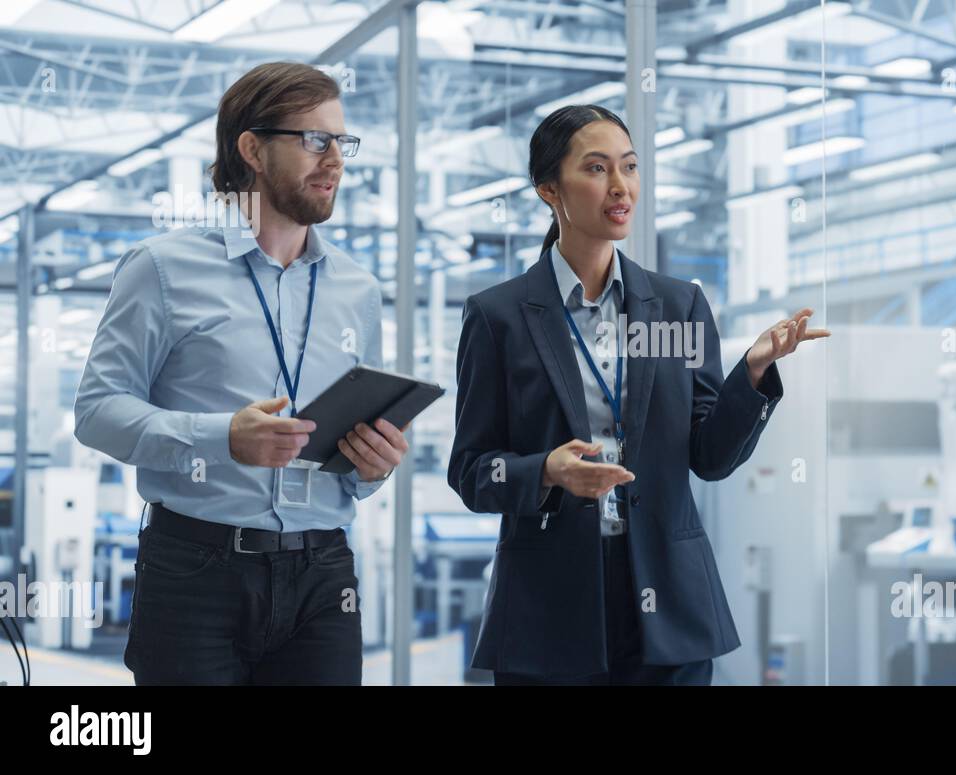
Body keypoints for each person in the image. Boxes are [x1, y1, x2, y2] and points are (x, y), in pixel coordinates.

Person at [447, 105, 829, 685]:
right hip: (551, 608)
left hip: (668, 604)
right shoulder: (498, 317)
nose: (620, 186)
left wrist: (750, 375)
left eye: (629, 167)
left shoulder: (679, 307)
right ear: (550, 190)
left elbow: (710, 457)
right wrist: (546, 471)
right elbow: (472, 471)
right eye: (597, 169)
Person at [74, 62, 408, 685]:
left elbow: (356, 456)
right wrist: (220, 437)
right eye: (314, 139)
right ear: (251, 148)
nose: (335, 158)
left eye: (342, 141)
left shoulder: (357, 289)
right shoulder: (162, 269)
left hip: (324, 570)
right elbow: (97, 411)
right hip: (195, 570)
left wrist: (374, 464)